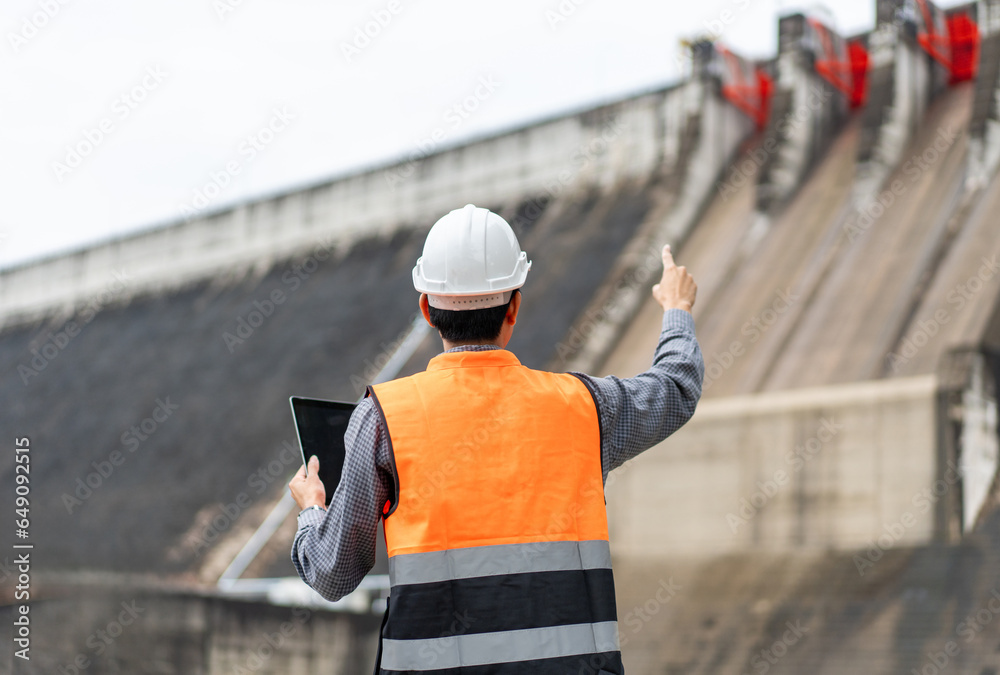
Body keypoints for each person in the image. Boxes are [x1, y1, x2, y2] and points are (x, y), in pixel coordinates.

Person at [289, 204, 703, 674]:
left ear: (427, 308)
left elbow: (334, 572)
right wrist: (677, 309)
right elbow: (676, 389)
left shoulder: (383, 418)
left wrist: (311, 510)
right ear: (515, 307)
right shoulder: (585, 406)